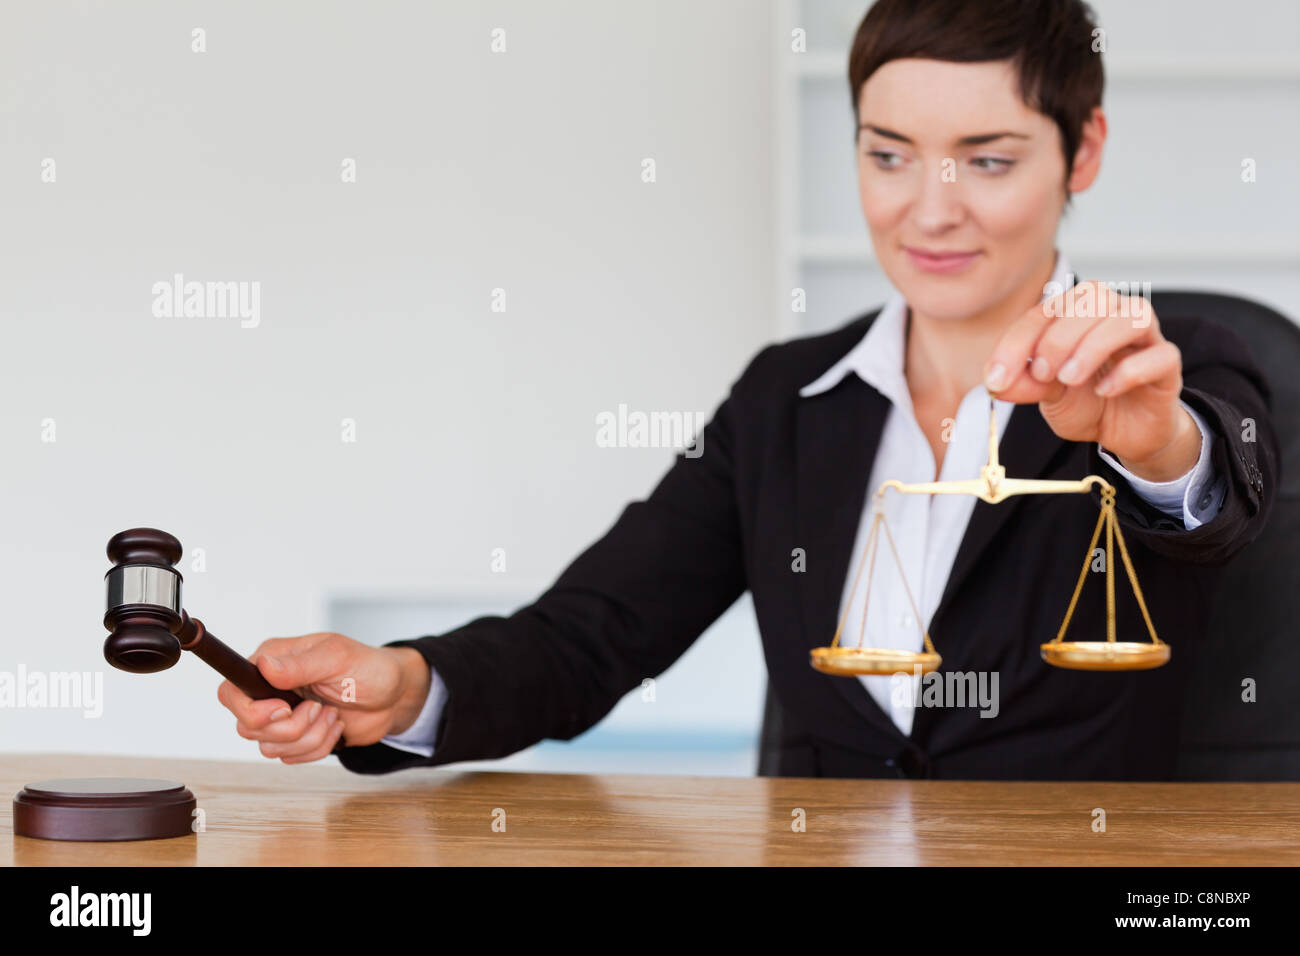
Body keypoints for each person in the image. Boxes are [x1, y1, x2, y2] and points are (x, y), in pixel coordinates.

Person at [217, 0, 1277, 780]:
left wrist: (1151, 446)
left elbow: (1213, 487)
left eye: (986, 160)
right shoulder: (786, 400)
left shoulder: (1170, 358)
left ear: (1080, 150)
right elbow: (591, 635)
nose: (928, 210)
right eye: (888, 153)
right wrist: (407, 681)